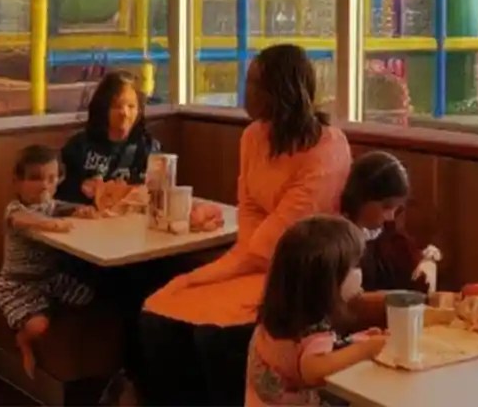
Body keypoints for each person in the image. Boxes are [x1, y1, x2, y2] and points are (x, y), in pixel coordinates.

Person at [137, 44, 352, 406]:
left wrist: (227, 266)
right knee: (156, 310)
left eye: (254, 83)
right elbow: (249, 208)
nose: (244, 91)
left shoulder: (326, 148)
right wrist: (234, 261)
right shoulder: (253, 136)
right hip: (251, 259)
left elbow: (287, 233)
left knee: (211, 336)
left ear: (281, 91)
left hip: (297, 270)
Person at [246, 215, 386, 407]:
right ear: (326, 283)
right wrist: (365, 349)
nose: (358, 273)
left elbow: (309, 354)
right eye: (353, 267)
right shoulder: (315, 329)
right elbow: (315, 371)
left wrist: (358, 340)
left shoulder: (278, 317)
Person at [0, 144, 98, 378]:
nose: (44, 185)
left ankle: (54, 322)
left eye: (51, 179)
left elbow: (66, 208)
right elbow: (20, 219)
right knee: (38, 327)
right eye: (35, 178)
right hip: (19, 284)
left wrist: (84, 211)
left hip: (51, 279)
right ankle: (23, 340)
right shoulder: (16, 208)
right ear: (17, 182)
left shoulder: (50, 205)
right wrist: (47, 224)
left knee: (89, 297)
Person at [58, 70, 159, 205]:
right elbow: (58, 192)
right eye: (117, 106)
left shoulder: (149, 148)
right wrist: (81, 188)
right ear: (103, 108)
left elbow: (157, 192)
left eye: (131, 106)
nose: (124, 113)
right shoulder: (78, 146)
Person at [340, 151, 430, 294]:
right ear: (362, 197)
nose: (390, 217)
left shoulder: (391, 238)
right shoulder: (339, 244)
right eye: (386, 207)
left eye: (396, 209)